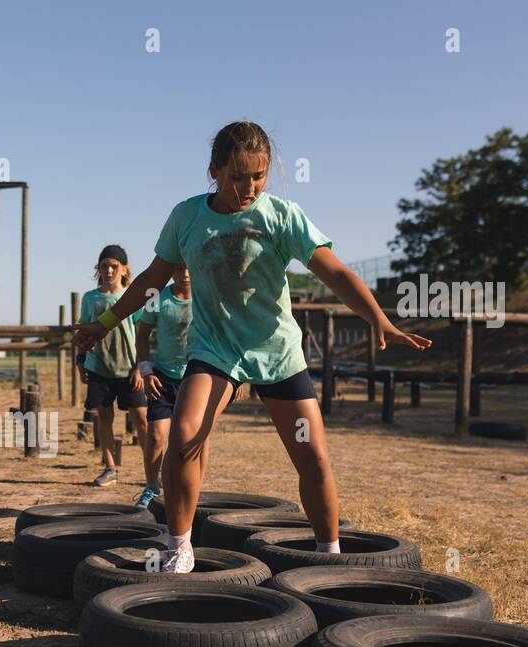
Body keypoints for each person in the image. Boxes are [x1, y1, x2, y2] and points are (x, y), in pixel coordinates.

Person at [74, 120, 431, 571]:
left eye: (258, 176)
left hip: (277, 352)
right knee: (184, 437)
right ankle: (178, 546)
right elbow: (148, 281)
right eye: (237, 176)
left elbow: (336, 273)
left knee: (313, 458)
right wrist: (105, 322)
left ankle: (329, 556)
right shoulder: (187, 217)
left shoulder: (281, 216)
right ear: (214, 170)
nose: (248, 187)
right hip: (215, 351)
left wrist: (379, 318)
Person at [77, 244, 147, 487]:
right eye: (104, 266)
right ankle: (110, 467)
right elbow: (83, 331)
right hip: (99, 367)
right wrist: (80, 360)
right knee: (104, 418)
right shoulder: (90, 298)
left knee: (142, 419)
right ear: (98, 269)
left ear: (125, 270)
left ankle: (153, 471)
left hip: (129, 369)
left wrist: (141, 367)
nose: (109, 271)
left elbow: (143, 333)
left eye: (114, 266)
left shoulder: (132, 297)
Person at [132, 263, 195, 509]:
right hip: (162, 376)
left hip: (196, 375)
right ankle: (150, 486)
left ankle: (191, 488)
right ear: (172, 271)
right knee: (157, 435)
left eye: (189, 268)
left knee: (192, 439)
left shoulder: (206, 297)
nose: (185, 274)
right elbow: (142, 334)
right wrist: (145, 371)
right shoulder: (156, 296)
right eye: (179, 269)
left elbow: (225, 331)